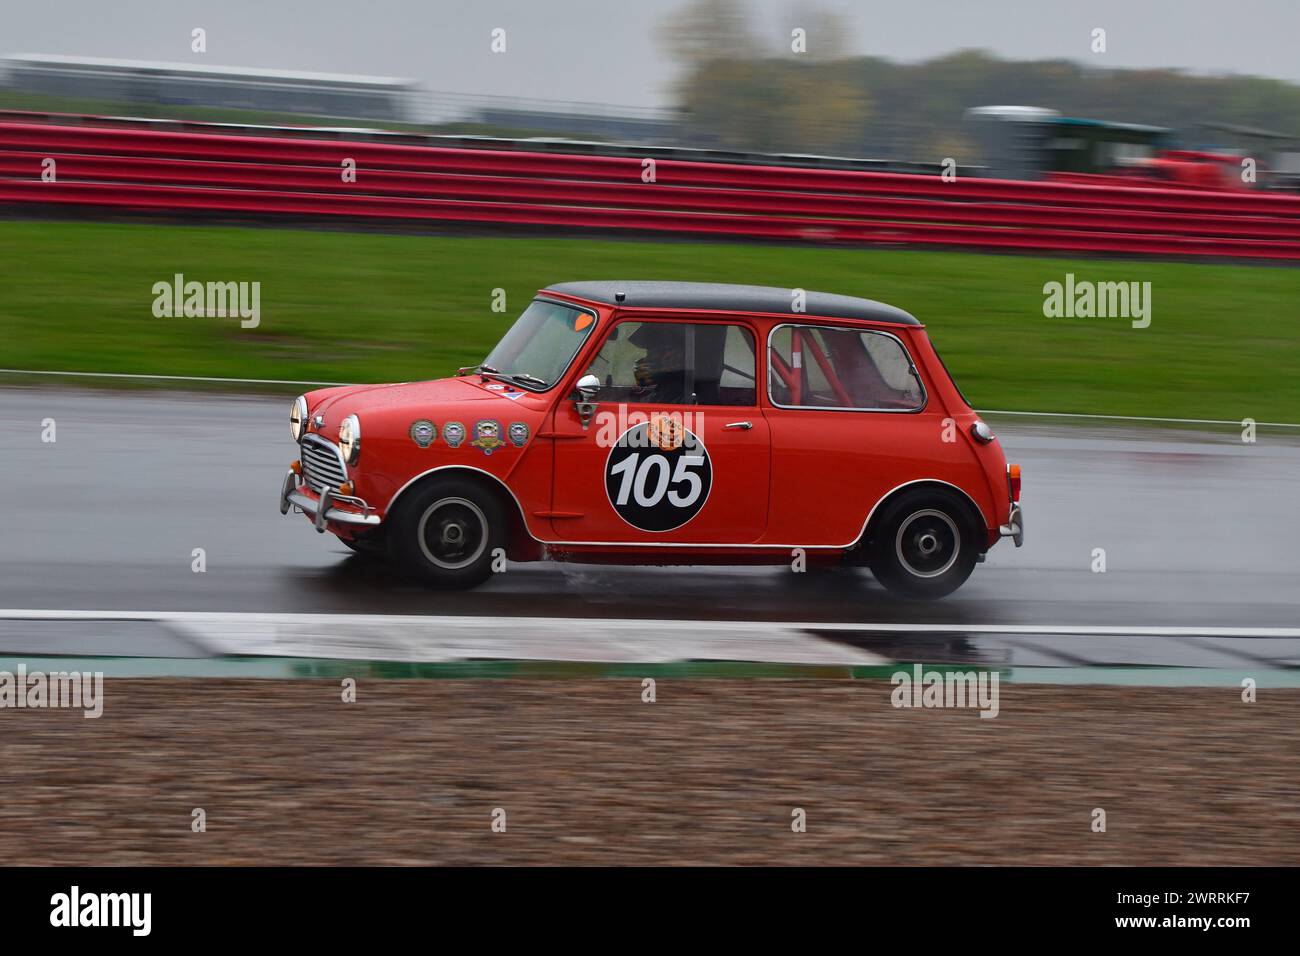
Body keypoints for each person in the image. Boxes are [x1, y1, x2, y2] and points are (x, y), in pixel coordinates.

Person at [628, 324, 689, 404]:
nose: (649, 357)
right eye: (650, 351)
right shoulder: (664, 389)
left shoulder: (677, 393)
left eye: (657, 350)